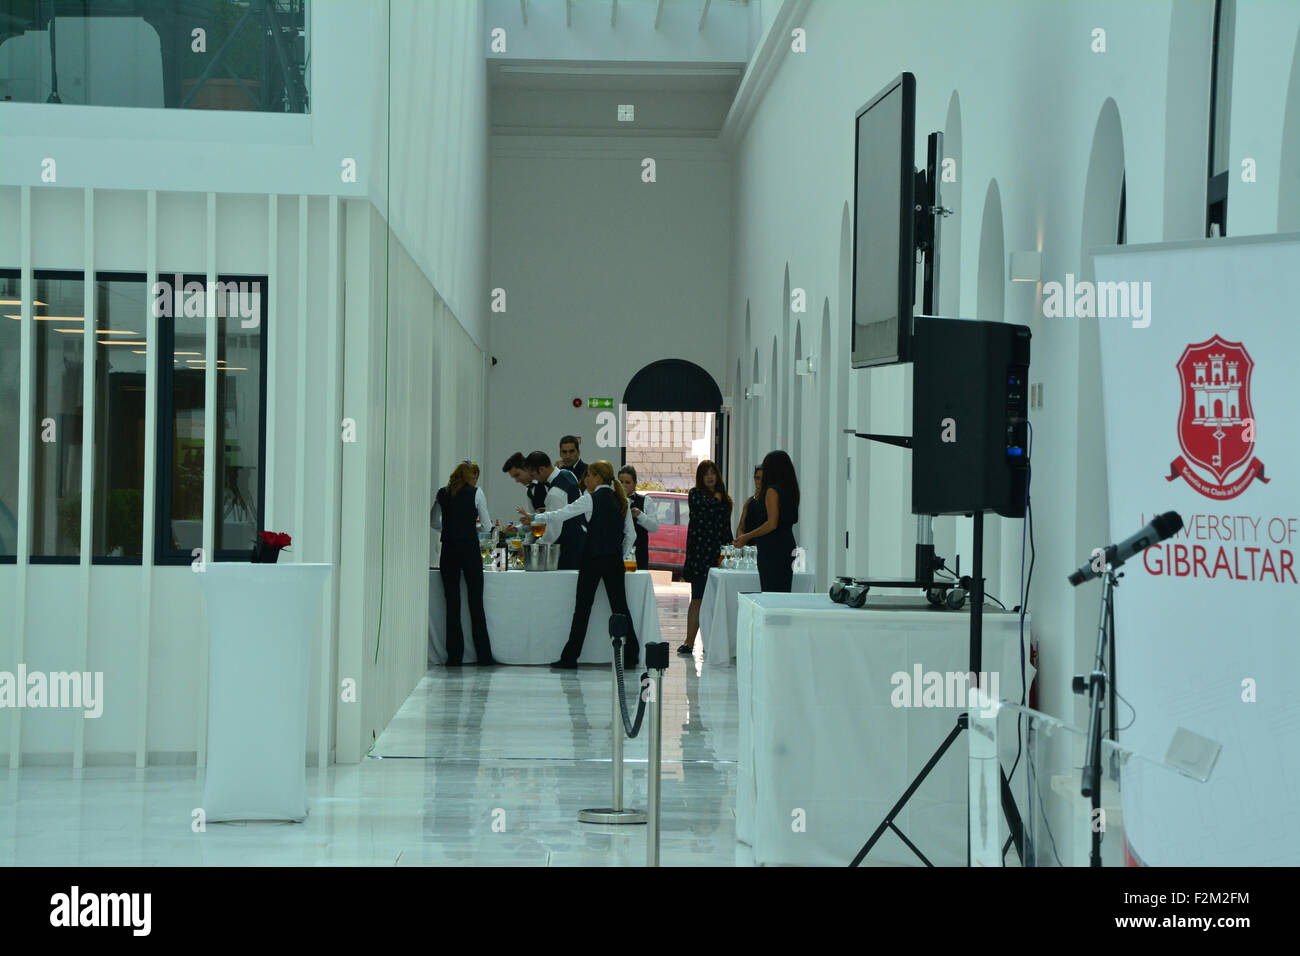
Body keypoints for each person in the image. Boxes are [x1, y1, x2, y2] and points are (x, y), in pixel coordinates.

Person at [525, 460, 639, 670]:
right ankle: (632, 655)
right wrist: (619, 554)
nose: (585, 479)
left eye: (588, 475)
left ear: (597, 477)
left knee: (582, 609)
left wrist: (534, 516)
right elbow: (630, 535)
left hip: (591, 560)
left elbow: (561, 514)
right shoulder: (622, 501)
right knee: (620, 607)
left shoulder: (590, 500)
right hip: (614, 562)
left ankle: (570, 657)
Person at [431, 461, 496, 666]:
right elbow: (486, 525)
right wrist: (469, 528)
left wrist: (450, 528)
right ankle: (483, 655)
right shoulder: (476, 493)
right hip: (469, 549)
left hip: (448, 550)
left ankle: (454, 656)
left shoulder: (442, 493)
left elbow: (433, 521)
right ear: (472, 476)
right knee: (476, 603)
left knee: (452, 604)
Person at [678, 460, 733, 656]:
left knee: (718, 601)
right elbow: (704, 515)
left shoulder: (725, 500)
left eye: (713, 473)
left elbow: (726, 530)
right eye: (706, 474)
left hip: (718, 556)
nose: (710, 477)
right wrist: (716, 500)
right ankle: (689, 641)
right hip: (699, 556)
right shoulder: (695, 494)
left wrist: (730, 552)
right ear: (700, 478)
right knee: (698, 598)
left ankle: (714, 642)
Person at [735, 450, 800, 593]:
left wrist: (747, 536)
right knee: (783, 591)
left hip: (772, 548)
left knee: (770, 590)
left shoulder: (772, 491)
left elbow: (772, 523)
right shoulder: (791, 490)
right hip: (787, 544)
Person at [517, 450, 586, 570]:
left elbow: (553, 532)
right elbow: (575, 505)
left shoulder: (555, 493)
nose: (536, 480)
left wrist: (533, 548)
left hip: (567, 550)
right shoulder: (568, 474)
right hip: (581, 538)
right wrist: (548, 509)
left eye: (534, 476)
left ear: (542, 469)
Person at [618, 465, 659, 572]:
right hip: (616, 553)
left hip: (639, 553)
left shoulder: (646, 501)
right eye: (621, 482)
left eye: (627, 482)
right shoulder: (611, 501)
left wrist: (640, 515)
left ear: (635, 483)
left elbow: (654, 528)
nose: (623, 485)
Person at [736, 465, 763, 538]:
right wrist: (741, 538)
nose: (760, 481)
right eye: (757, 478)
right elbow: (741, 527)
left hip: (763, 545)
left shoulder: (770, 502)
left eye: (763, 479)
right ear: (754, 479)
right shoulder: (749, 501)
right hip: (748, 546)